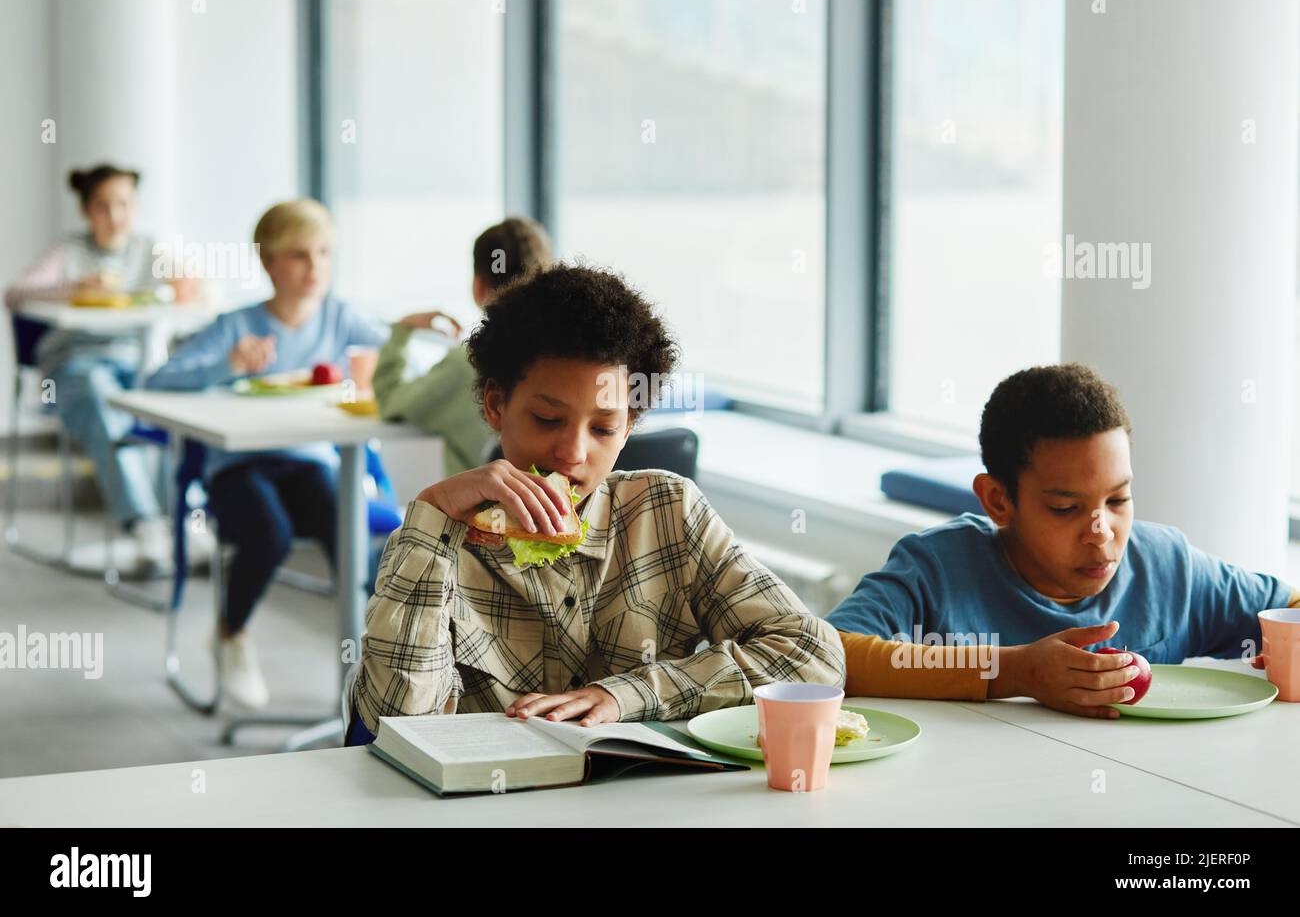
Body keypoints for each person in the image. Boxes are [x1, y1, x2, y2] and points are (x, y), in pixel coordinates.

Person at [347, 263, 844, 743]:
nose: (573, 453)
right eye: (546, 419)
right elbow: (393, 725)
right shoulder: (435, 539)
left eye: (604, 428)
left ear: (628, 428)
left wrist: (629, 695)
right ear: (497, 405)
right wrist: (432, 513)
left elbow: (813, 654)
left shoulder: (668, 511)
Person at [829, 363, 1300, 719]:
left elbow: (1288, 606)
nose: (1101, 533)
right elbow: (829, 653)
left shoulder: (1167, 566)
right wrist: (1014, 672)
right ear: (998, 501)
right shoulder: (937, 567)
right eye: (1064, 508)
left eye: (1118, 499)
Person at [147, 199, 389, 709]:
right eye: (299, 254)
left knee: (345, 529)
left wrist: (411, 331)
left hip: (311, 462)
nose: (316, 266)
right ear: (268, 261)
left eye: (324, 252)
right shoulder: (237, 326)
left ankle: (377, 665)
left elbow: (394, 356)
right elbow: (158, 380)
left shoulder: (341, 319)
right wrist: (225, 366)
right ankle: (230, 634)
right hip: (239, 465)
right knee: (269, 534)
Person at [4, 164, 170, 564]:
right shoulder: (68, 252)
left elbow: (194, 288)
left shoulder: (150, 251)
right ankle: (144, 521)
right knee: (101, 394)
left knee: (174, 398)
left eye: (123, 205)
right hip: (74, 366)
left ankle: (179, 517)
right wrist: (73, 289)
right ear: (86, 210)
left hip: (135, 362)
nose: (114, 216)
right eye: (102, 206)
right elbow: (15, 294)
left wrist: (186, 285)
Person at [373, 216, 552, 478]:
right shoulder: (572, 361)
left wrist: (402, 332)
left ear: (479, 286)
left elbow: (391, 404)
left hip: (480, 515)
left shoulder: (468, 363)